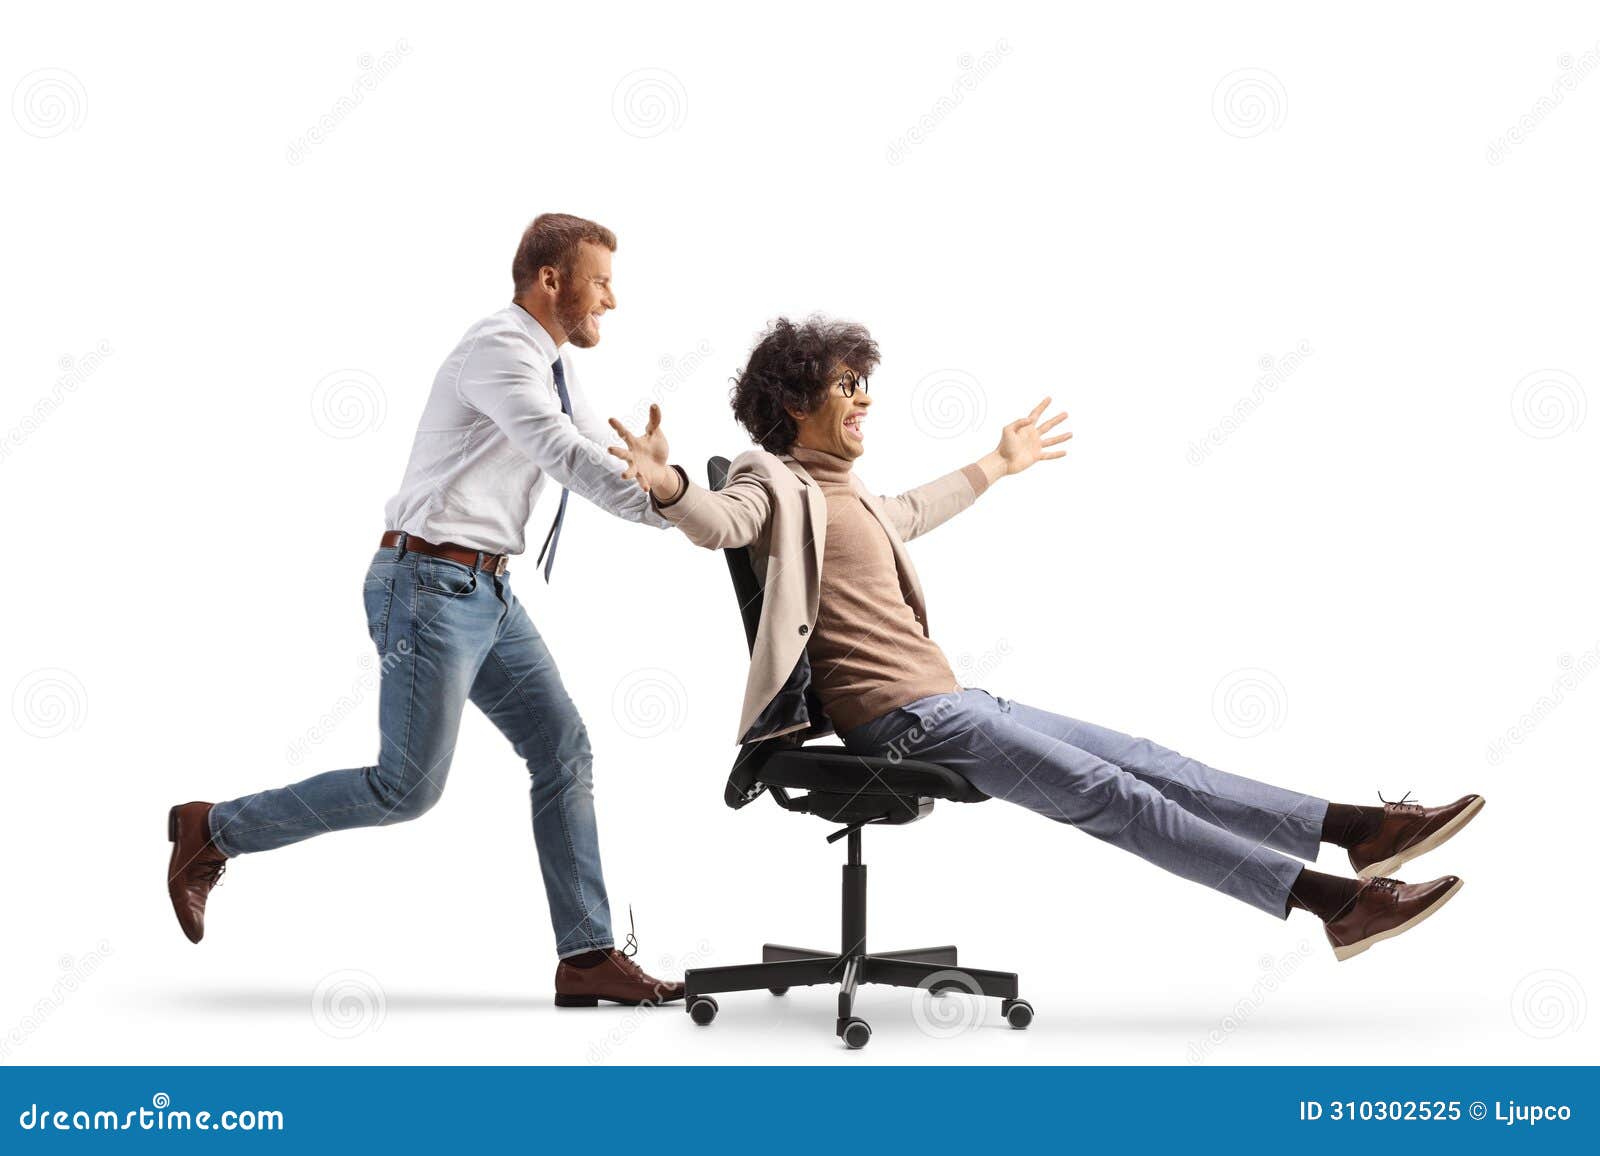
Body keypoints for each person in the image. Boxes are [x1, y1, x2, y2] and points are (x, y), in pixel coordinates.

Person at [607, 316, 1484, 961]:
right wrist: (669, 484)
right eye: (845, 385)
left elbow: (914, 510)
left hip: (953, 702)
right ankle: (1335, 904)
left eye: (863, 381)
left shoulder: (851, 488)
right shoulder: (772, 478)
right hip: (906, 721)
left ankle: (1356, 829)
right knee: (1119, 797)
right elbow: (721, 520)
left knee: (1152, 763)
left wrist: (997, 463)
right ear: (794, 402)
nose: (865, 396)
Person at [166, 213, 684, 1006]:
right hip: (428, 586)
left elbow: (600, 455)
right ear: (552, 280)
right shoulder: (499, 351)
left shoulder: (549, 364)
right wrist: (681, 508)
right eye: (602, 281)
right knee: (405, 790)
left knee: (563, 750)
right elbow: (561, 452)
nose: (612, 300)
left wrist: (680, 505)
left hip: (486, 590)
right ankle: (214, 828)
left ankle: (585, 957)